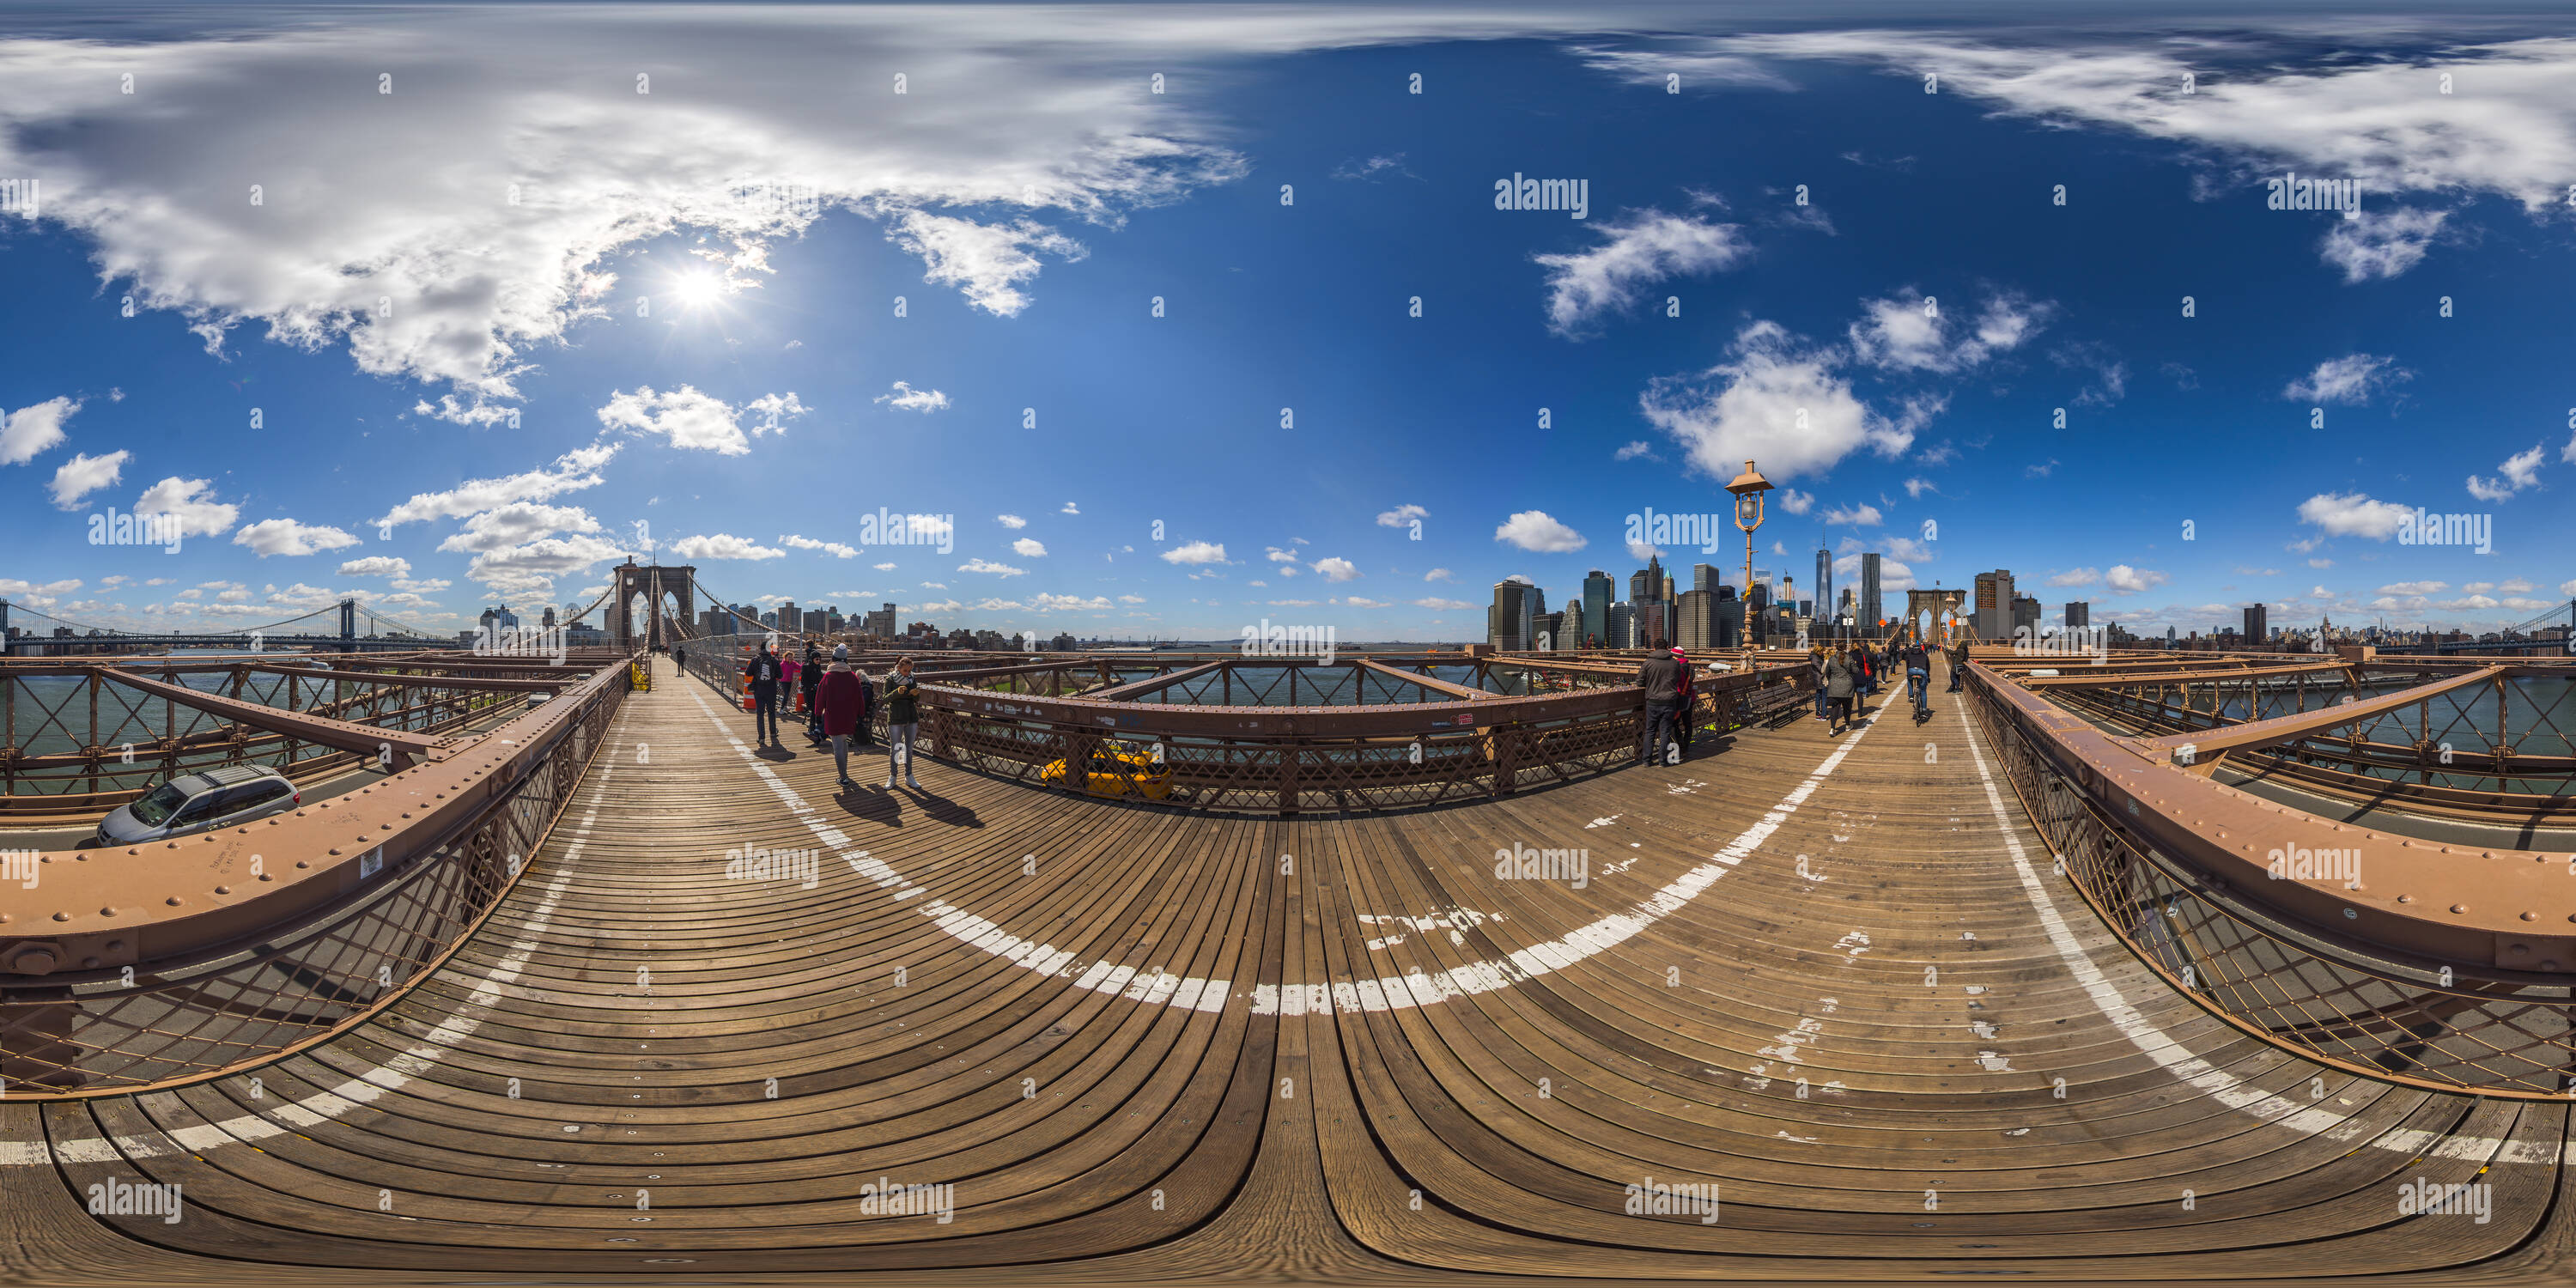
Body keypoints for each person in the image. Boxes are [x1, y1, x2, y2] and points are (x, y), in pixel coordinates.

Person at [817, 659, 866, 789]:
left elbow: (821, 695)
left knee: (837, 747)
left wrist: (817, 712)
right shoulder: (853, 677)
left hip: (833, 716)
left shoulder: (828, 676)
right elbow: (859, 697)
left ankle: (843, 777)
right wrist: (861, 713)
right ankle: (845, 772)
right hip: (849, 716)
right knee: (843, 743)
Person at [1635, 645, 1684, 767]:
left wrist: (1651, 684)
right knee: (1665, 732)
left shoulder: (1648, 662)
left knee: (1650, 731)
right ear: (1667, 648)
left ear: (1654, 648)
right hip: (1669, 701)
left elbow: (1639, 682)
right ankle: (1663, 761)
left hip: (1652, 701)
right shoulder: (1674, 663)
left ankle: (1646, 760)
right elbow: (1677, 680)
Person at [882, 656, 921, 789]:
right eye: (905, 670)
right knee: (896, 749)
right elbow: (885, 698)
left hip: (911, 717)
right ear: (899, 668)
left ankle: (909, 776)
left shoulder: (912, 679)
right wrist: (897, 692)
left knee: (909, 749)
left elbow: (917, 699)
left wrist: (915, 694)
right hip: (896, 718)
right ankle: (893, 776)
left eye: (910, 670)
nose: (908, 673)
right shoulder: (890, 679)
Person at [744, 642, 783, 745]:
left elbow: (748, 673)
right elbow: (780, 675)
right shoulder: (774, 660)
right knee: (771, 712)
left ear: (760, 649)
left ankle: (761, 738)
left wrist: (756, 673)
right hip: (771, 690)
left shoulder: (755, 659)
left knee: (760, 714)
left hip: (759, 690)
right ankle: (773, 732)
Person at [1824, 645, 1857, 736]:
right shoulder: (1849, 657)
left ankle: (1832, 728)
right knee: (1847, 707)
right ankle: (1847, 725)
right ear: (1845, 647)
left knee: (1835, 708)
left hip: (1834, 686)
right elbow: (1855, 670)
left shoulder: (1832, 658)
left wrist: (1833, 679)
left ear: (1836, 648)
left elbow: (1827, 672)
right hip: (1847, 686)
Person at [1671, 647, 1697, 758]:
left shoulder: (1676, 667)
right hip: (1689, 698)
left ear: (1675, 656)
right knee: (1688, 723)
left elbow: (1676, 684)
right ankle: (1686, 746)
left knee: (1674, 725)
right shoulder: (1690, 667)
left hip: (1679, 698)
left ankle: (1680, 747)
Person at [800, 643, 826, 741]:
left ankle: (815, 730)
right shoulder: (806, 667)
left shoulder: (818, 668)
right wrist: (811, 687)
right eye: (817, 659)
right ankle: (813, 729)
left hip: (818, 692)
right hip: (809, 693)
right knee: (813, 710)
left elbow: (820, 679)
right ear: (812, 659)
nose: (818, 661)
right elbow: (803, 681)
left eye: (819, 659)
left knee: (817, 710)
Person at [1904, 640, 1931, 716]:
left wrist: (1908, 672)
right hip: (1922, 671)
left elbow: (1907, 665)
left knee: (1909, 680)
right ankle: (1924, 710)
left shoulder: (1909, 655)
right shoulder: (1925, 655)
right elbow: (1928, 666)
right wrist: (1928, 676)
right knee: (1923, 691)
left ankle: (1911, 696)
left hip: (1911, 670)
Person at [1810, 644, 1830, 722]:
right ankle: (1818, 711)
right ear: (1818, 651)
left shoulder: (1818, 657)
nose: (1823, 652)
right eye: (1822, 651)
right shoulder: (1815, 659)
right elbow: (1821, 669)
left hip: (1820, 679)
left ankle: (1822, 711)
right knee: (1819, 696)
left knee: (1820, 696)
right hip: (1819, 679)